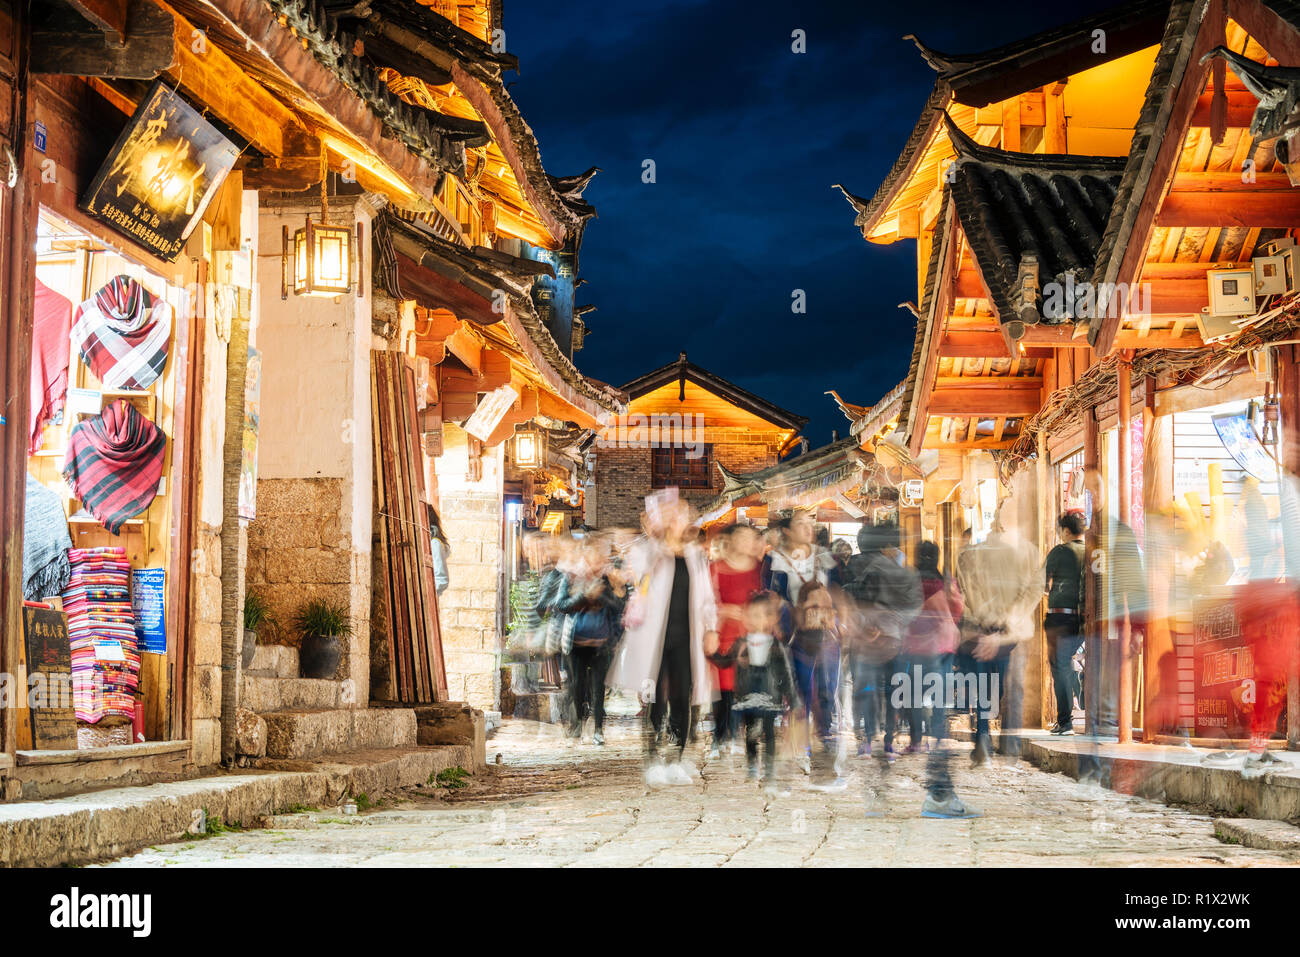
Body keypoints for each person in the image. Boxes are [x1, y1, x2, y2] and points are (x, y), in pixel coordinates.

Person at [609, 491, 719, 786]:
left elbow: (707, 596)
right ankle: (653, 758)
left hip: (687, 637)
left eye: (681, 514)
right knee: (653, 697)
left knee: (684, 697)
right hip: (654, 638)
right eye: (671, 514)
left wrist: (711, 629)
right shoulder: (649, 550)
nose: (677, 519)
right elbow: (635, 574)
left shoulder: (695, 555)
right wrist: (654, 537)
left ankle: (677, 757)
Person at [956, 514, 1040, 766]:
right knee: (1010, 688)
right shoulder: (1029, 553)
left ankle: (983, 738)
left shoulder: (971, 555)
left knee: (984, 687)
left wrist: (983, 620)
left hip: (982, 628)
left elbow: (966, 589)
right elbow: (1033, 591)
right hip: (1011, 633)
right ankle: (1009, 745)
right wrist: (1007, 623)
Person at [843, 522, 922, 762]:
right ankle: (888, 743)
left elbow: (849, 599)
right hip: (891, 641)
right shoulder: (901, 571)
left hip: (863, 640)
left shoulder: (852, 567)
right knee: (892, 691)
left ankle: (866, 741)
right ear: (886, 546)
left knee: (865, 691)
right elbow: (913, 604)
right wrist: (895, 623)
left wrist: (863, 626)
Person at [905, 540, 971, 818]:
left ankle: (917, 737)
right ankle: (936, 733)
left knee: (913, 695)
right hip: (943, 646)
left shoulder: (909, 581)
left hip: (916, 647)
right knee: (940, 698)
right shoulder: (947, 581)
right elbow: (959, 610)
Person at [707, 591, 795, 788]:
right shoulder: (741, 643)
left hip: (769, 696)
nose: (752, 620)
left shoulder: (776, 646)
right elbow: (725, 661)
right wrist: (711, 654)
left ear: (770, 619)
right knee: (751, 733)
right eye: (750, 615)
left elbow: (785, 673)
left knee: (769, 734)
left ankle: (770, 769)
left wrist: (791, 697)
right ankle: (752, 765)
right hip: (746, 696)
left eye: (758, 615)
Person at [558, 537, 626, 745]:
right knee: (577, 686)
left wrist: (615, 638)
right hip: (576, 642)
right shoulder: (570, 578)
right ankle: (577, 724)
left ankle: (598, 729)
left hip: (601, 643)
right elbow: (561, 605)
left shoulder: (608, 580)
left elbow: (618, 607)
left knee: (598, 689)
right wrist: (583, 596)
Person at [709, 523, 763, 758]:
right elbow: (704, 602)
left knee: (751, 689)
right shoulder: (716, 568)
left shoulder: (761, 569)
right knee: (723, 692)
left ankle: (751, 741)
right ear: (730, 541)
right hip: (724, 638)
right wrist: (723, 610)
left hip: (754, 638)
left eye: (750, 538)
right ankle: (719, 736)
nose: (746, 542)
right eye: (741, 537)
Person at [787, 581, 842, 783]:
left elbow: (836, 631)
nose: (821, 600)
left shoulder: (830, 612)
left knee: (826, 694)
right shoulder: (799, 612)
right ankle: (804, 746)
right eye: (815, 597)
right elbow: (797, 630)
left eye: (824, 596)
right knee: (805, 697)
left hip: (826, 654)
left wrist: (830, 621)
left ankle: (825, 738)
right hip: (804, 654)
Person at [1044, 511, 1086, 735]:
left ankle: (1065, 721)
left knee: (1060, 665)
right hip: (1086, 619)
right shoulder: (1091, 552)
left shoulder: (1060, 551)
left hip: (1060, 617)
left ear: (1066, 531)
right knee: (1075, 663)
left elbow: (1042, 582)